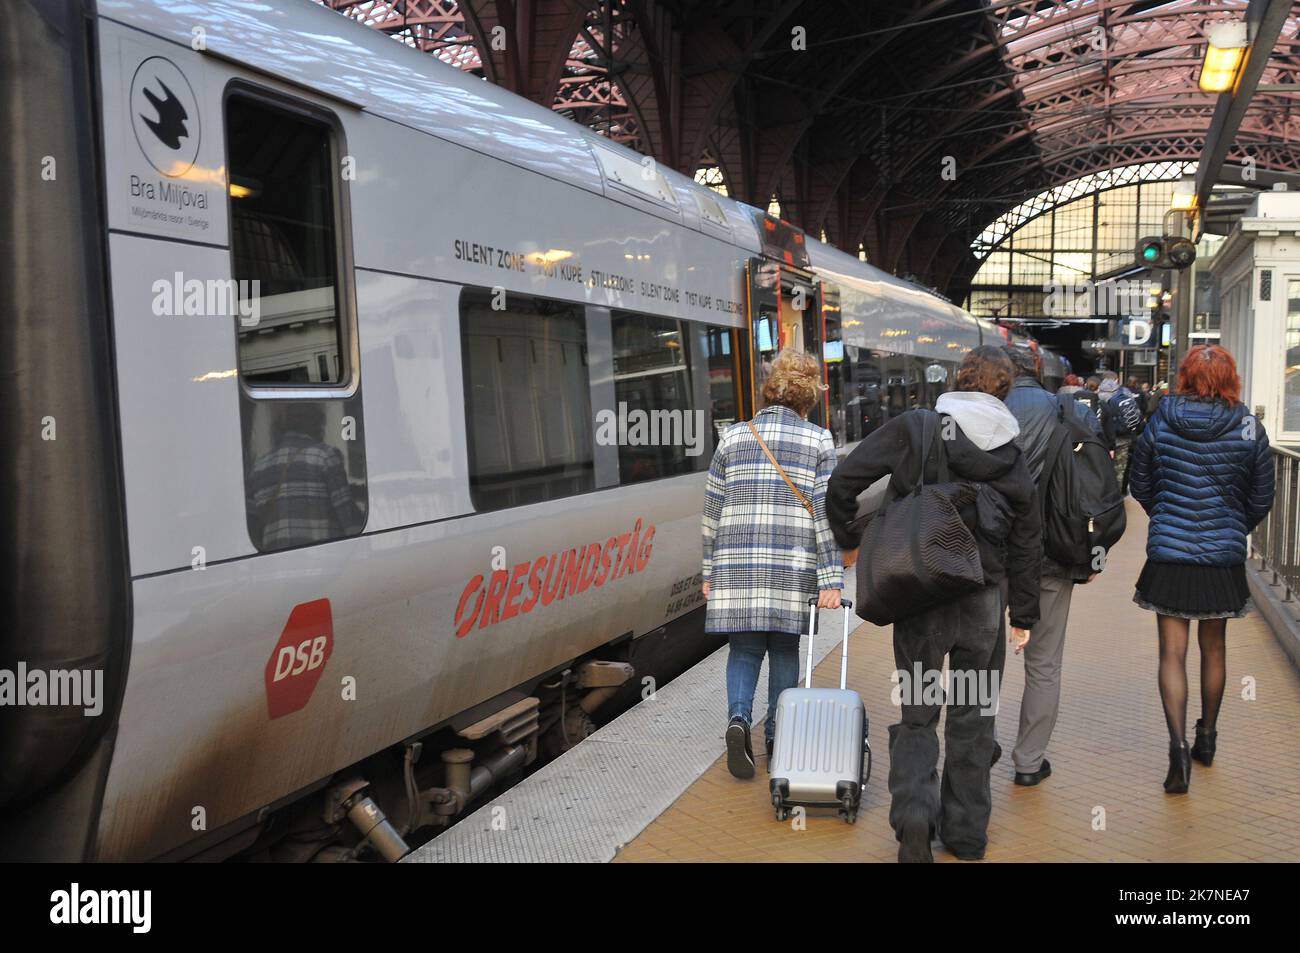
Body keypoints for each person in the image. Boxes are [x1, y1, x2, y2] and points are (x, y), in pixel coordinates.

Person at [827, 346, 1042, 863]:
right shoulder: (1011, 450)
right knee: (973, 719)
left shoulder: (918, 428)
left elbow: (843, 482)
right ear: (1003, 391)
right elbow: (1028, 538)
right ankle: (966, 836)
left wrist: (847, 540)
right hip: (983, 603)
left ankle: (916, 819)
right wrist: (1025, 616)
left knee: (919, 715)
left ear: (959, 380)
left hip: (921, 595)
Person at [1129, 345, 1274, 794]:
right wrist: (1233, 527)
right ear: (1232, 377)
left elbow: (1140, 482)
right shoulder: (1249, 427)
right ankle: (1206, 738)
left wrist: (1167, 517)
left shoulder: (1161, 421)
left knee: (1172, 653)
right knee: (1215, 647)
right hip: (1221, 558)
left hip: (1170, 555)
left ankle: (1176, 749)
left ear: (1186, 377)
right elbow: (1261, 494)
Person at [702, 348, 843, 780]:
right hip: (791, 565)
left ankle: (738, 721)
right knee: (784, 648)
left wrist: (709, 572)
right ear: (808, 398)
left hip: (737, 565)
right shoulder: (818, 441)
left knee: (743, 649)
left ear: (769, 391)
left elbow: (712, 511)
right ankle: (778, 734)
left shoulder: (733, 436)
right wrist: (830, 579)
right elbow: (825, 514)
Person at [1001, 347, 1098, 787]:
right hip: (1053, 553)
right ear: (1038, 371)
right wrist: (1091, 550)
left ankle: (975, 749)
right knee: (1044, 664)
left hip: (992, 554)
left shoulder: (986, 408)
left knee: (979, 659)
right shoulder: (1066, 409)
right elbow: (1094, 481)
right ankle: (1028, 761)